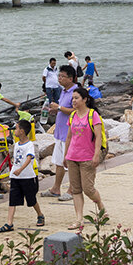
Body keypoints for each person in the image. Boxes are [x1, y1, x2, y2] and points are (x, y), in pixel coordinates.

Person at [63, 88, 107, 230]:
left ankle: (101, 207)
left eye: (76, 98)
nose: (73, 101)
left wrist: (96, 155)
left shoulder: (93, 115)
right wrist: (65, 154)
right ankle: (79, 219)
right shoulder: (72, 116)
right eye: (73, 98)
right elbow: (69, 137)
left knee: (88, 189)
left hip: (87, 157)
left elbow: (99, 136)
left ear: (85, 99)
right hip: (72, 157)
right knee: (76, 189)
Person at [0, 119, 44, 232]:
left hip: (27, 177)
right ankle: (9, 223)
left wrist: (21, 170)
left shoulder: (29, 145)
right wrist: (15, 170)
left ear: (22, 131)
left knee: (31, 200)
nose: (15, 131)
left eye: (16, 128)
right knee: (13, 200)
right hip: (15, 177)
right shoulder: (17, 144)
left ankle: (40, 215)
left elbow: (29, 158)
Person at [40, 66, 78, 202]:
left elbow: (76, 111)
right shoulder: (64, 91)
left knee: (71, 163)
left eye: (62, 76)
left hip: (71, 133)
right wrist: (55, 110)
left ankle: (72, 190)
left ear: (71, 78)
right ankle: (56, 188)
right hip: (60, 132)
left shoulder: (76, 92)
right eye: (59, 76)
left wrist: (60, 108)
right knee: (58, 162)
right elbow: (63, 109)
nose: (59, 78)